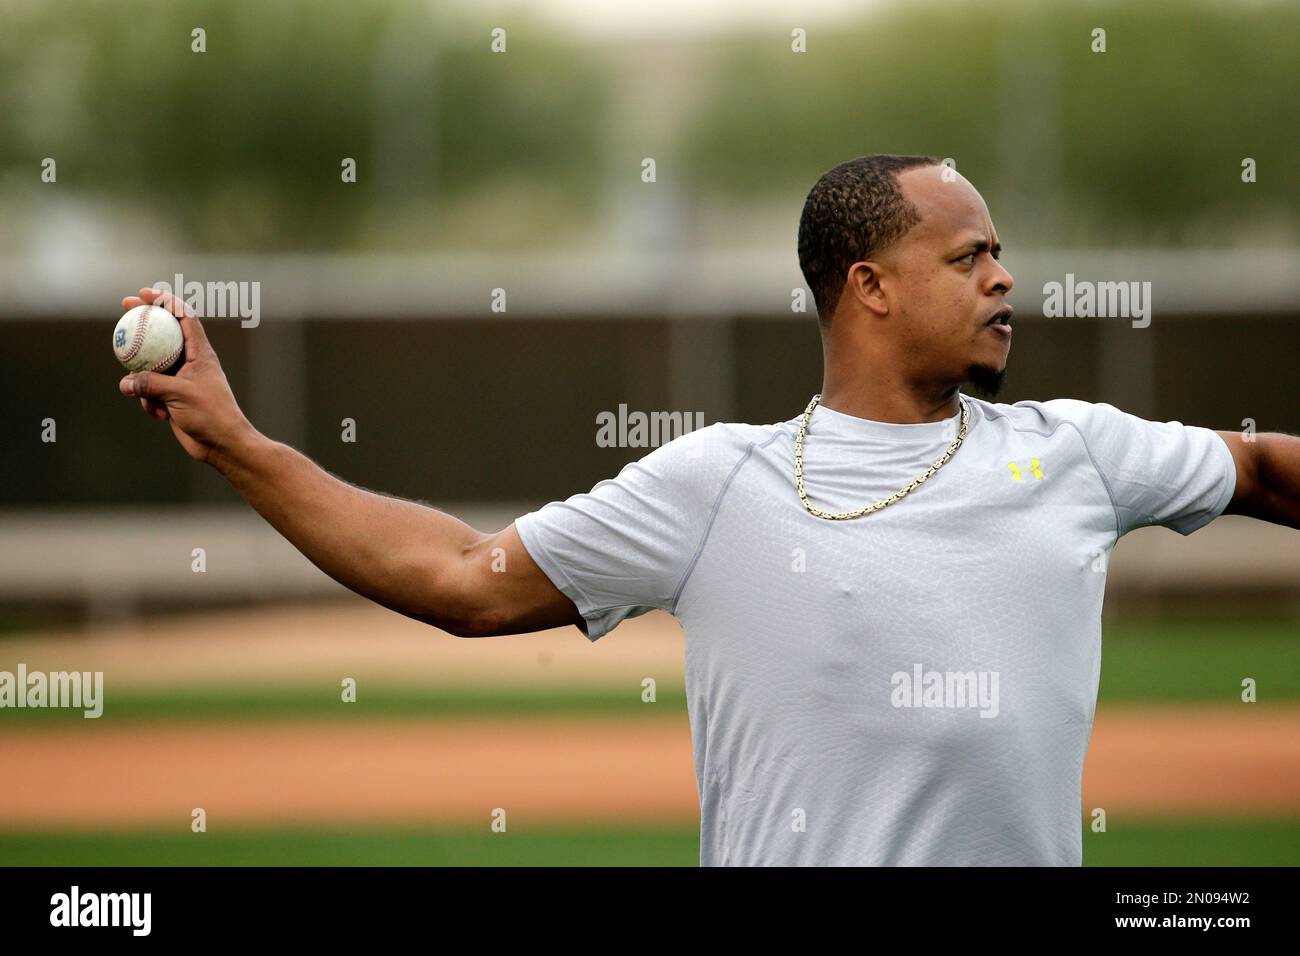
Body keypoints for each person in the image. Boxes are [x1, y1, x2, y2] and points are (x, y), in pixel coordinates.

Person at [118, 153, 1299, 866]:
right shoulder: (714, 481)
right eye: (968, 255)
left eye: (1001, 253)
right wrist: (237, 441)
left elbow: (1260, 468)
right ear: (868, 288)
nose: (1003, 277)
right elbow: (461, 579)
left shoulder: (1079, 451)